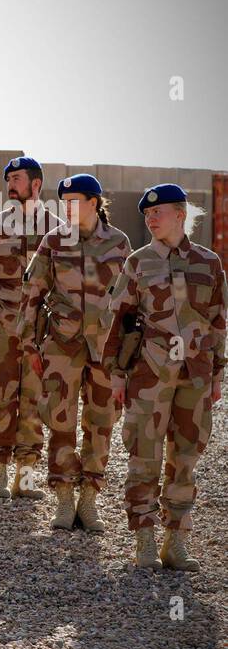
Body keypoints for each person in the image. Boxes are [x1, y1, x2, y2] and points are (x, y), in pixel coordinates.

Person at [103, 184, 225, 571]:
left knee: (186, 457)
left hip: (196, 374)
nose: (151, 219)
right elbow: (117, 321)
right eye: (146, 215)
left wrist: (218, 373)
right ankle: (143, 540)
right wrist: (117, 374)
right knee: (144, 454)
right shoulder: (138, 263)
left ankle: (175, 543)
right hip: (148, 374)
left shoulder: (209, 263)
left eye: (158, 213)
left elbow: (219, 321)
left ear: (180, 214)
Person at [20, 174, 131, 530]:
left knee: (102, 423)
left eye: (74, 201)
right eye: (62, 201)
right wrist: (29, 343)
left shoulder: (119, 243)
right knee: (60, 420)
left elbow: (132, 302)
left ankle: (89, 499)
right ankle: (65, 498)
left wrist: (129, 356)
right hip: (62, 345)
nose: (66, 208)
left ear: (95, 203)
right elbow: (32, 293)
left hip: (105, 350)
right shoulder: (54, 241)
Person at [0, 156, 57, 498]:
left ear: (36, 184)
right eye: (8, 179)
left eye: (17, 178)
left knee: (34, 401)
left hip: (42, 334)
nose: (10, 185)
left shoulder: (57, 230)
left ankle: (26, 479)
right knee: (0, 398)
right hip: (2, 329)